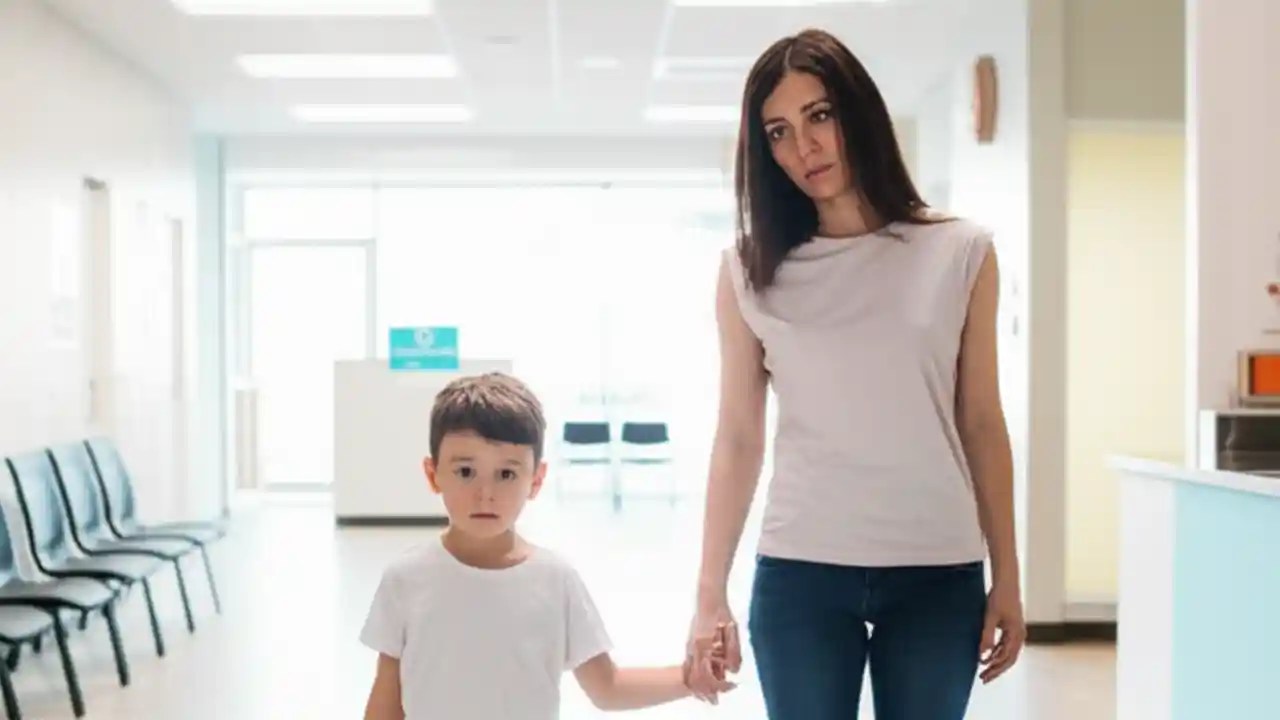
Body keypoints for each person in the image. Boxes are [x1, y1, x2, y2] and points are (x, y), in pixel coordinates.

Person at [684, 28, 1027, 719]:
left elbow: (982, 422)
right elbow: (738, 438)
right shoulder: (749, 272)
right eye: (778, 132)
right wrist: (707, 591)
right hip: (802, 571)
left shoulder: (960, 252)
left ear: (857, 113)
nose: (803, 147)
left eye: (819, 116)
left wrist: (1010, 577)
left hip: (937, 569)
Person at [360, 372, 730, 720]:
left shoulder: (555, 580)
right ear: (432, 474)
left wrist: (689, 677)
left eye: (506, 474)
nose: (485, 493)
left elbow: (607, 687)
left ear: (536, 480)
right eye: (465, 471)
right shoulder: (405, 579)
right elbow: (386, 705)